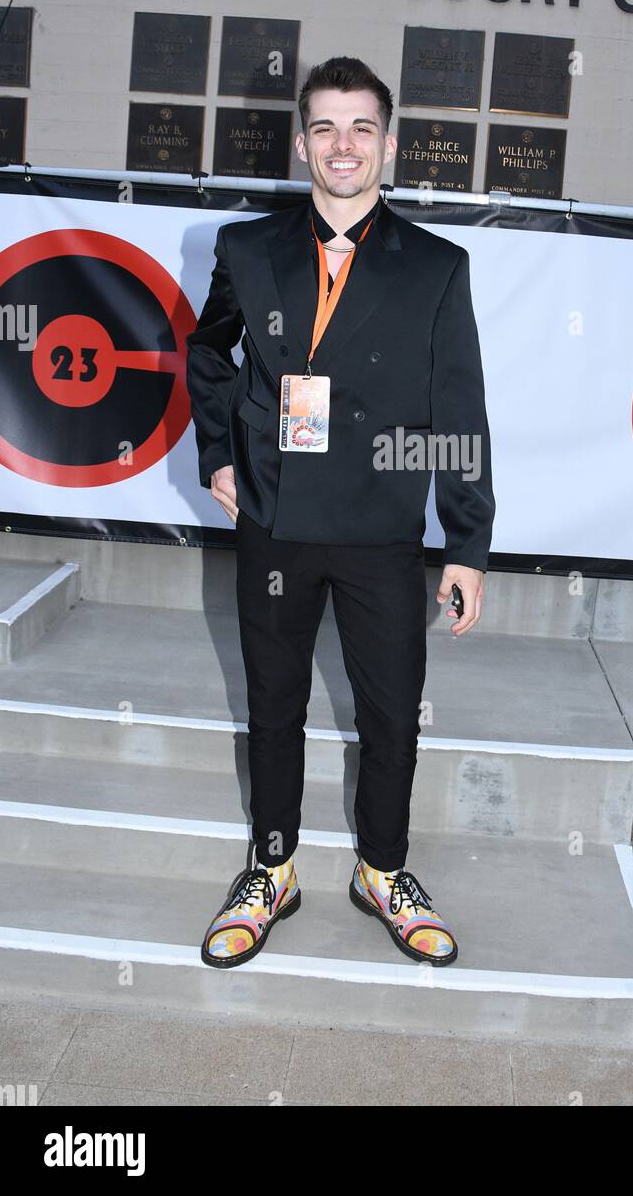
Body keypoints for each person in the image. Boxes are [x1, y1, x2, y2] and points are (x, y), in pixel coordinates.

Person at [186, 55, 495, 970]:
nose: (344, 145)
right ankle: (272, 867)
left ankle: (382, 870)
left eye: (362, 127)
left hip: (380, 529)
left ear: (389, 143)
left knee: (392, 714)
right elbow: (208, 354)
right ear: (302, 144)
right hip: (275, 518)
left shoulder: (438, 267)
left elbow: (459, 411)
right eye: (325, 127)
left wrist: (468, 545)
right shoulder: (248, 248)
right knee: (274, 706)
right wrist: (216, 457)